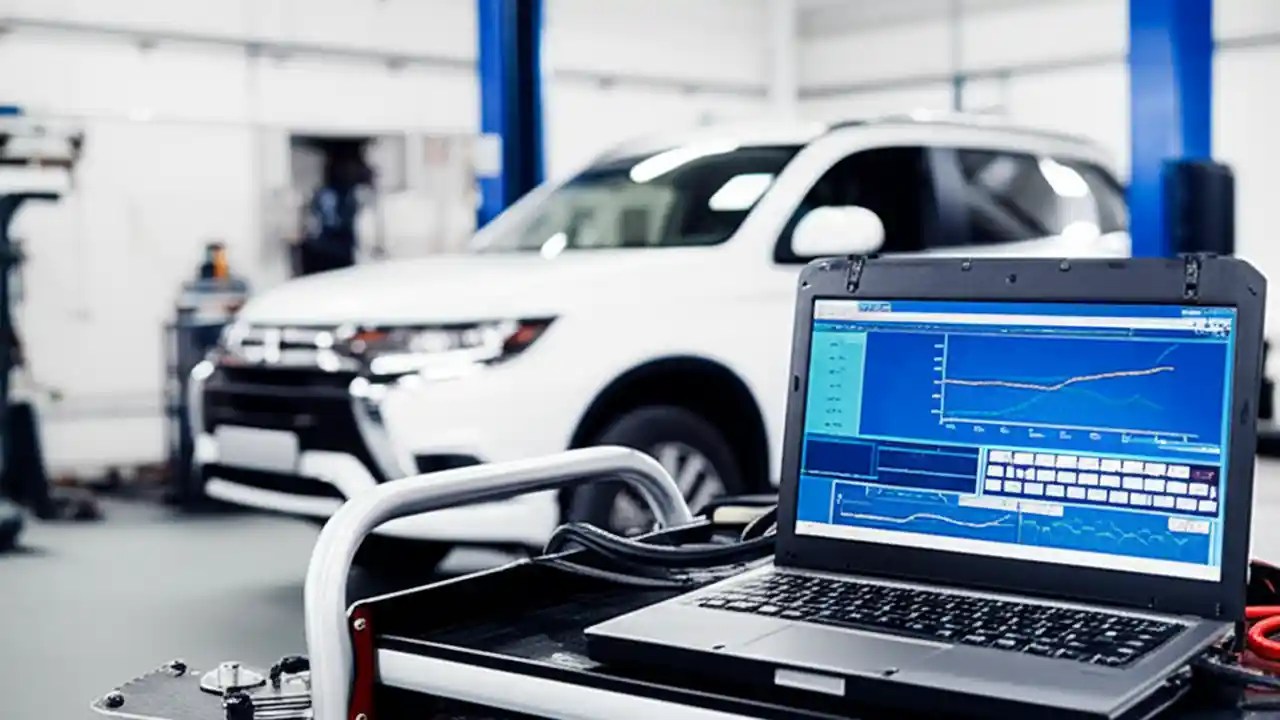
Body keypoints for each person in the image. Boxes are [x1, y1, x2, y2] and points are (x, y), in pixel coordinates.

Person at [298, 153, 371, 275]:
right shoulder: (329, 194)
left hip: (341, 247)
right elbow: (325, 222)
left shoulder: (353, 193)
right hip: (330, 248)